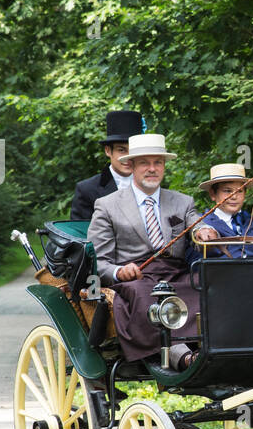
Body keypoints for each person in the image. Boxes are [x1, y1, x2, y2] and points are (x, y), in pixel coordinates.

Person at [87, 133, 222, 367]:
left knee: (211, 283)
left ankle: (217, 347)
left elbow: (196, 222)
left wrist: (204, 231)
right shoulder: (107, 206)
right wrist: (120, 272)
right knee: (147, 295)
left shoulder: (182, 201)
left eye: (157, 162)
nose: (152, 169)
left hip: (176, 274)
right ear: (131, 166)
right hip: (137, 279)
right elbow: (98, 261)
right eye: (145, 163)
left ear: (164, 166)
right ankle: (181, 356)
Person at [192, 163, 253, 260]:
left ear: (245, 194)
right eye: (227, 191)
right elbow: (195, 261)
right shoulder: (201, 223)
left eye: (240, 191)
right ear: (213, 194)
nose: (234, 197)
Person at [71, 110, 145, 221]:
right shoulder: (87, 190)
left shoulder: (149, 183)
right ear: (108, 151)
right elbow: (79, 234)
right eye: (122, 150)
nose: (128, 157)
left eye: (133, 150)